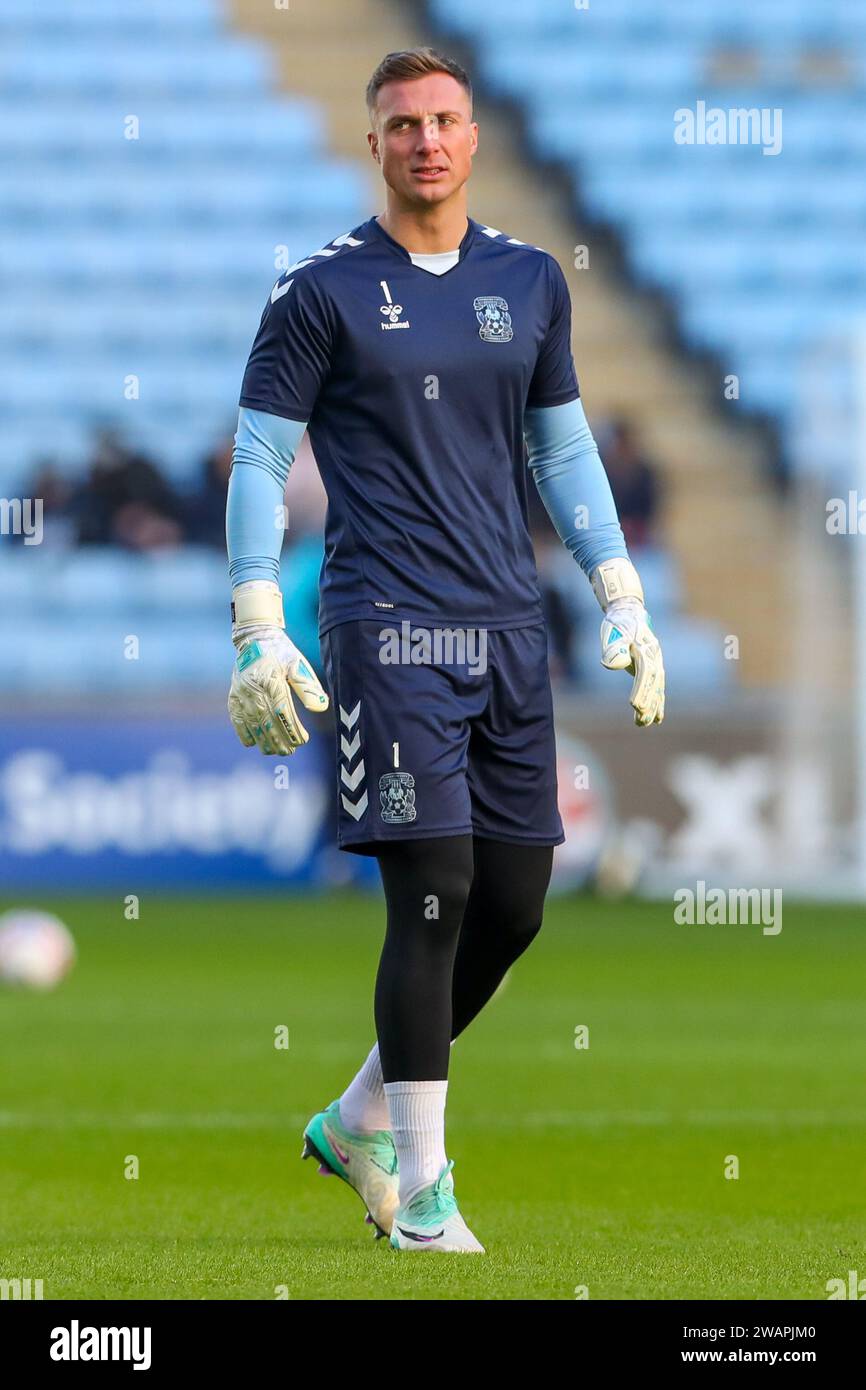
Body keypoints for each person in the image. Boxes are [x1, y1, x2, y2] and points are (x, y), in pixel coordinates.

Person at [225, 48, 665, 1253]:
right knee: (434, 892)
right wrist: (259, 620)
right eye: (402, 123)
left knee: (513, 905)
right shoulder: (315, 291)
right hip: (384, 629)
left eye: (444, 120)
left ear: (472, 137)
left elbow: (563, 453)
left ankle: (362, 1112)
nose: (424, 139)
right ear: (373, 144)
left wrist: (617, 590)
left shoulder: (528, 281)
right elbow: (260, 459)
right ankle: (422, 1191)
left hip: (507, 626)